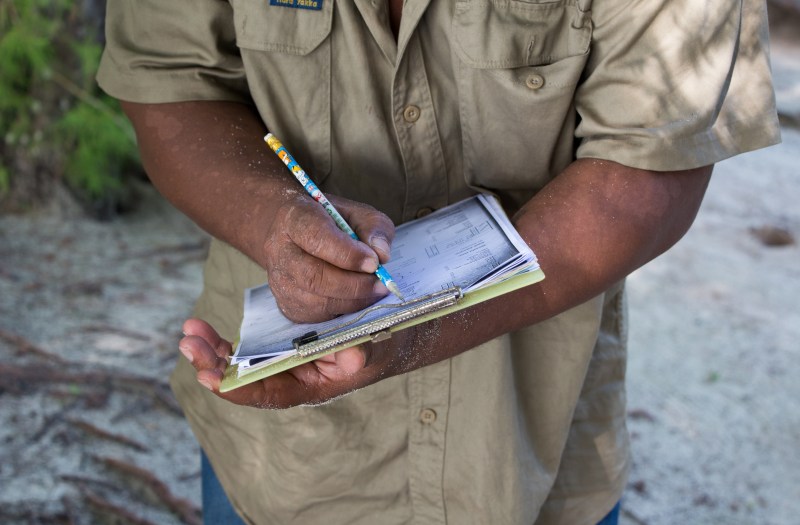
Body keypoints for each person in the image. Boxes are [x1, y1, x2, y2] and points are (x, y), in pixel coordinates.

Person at [98, 0, 779, 523]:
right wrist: (270, 215)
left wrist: (409, 333)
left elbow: (652, 165)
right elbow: (167, 83)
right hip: (280, 463)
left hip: (528, 451)